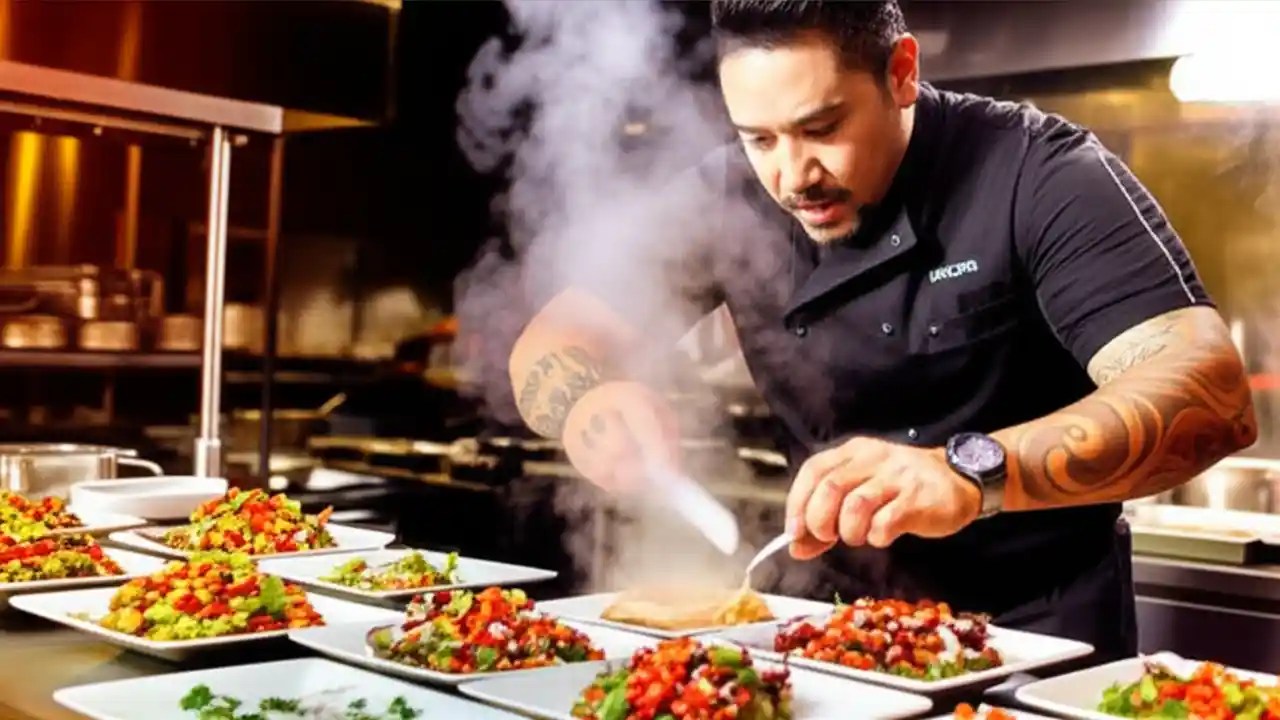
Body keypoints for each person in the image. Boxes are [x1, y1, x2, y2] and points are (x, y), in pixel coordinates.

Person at [505, 0, 1257, 658]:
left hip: (1038, 632)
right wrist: (587, 405)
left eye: (821, 127)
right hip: (832, 630)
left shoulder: (1040, 171)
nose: (792, 176)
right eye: (758, 139)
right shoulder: (727, 192)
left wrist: (971, 473)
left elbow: (1213, 394)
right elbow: (555, 338)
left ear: (900, 73)